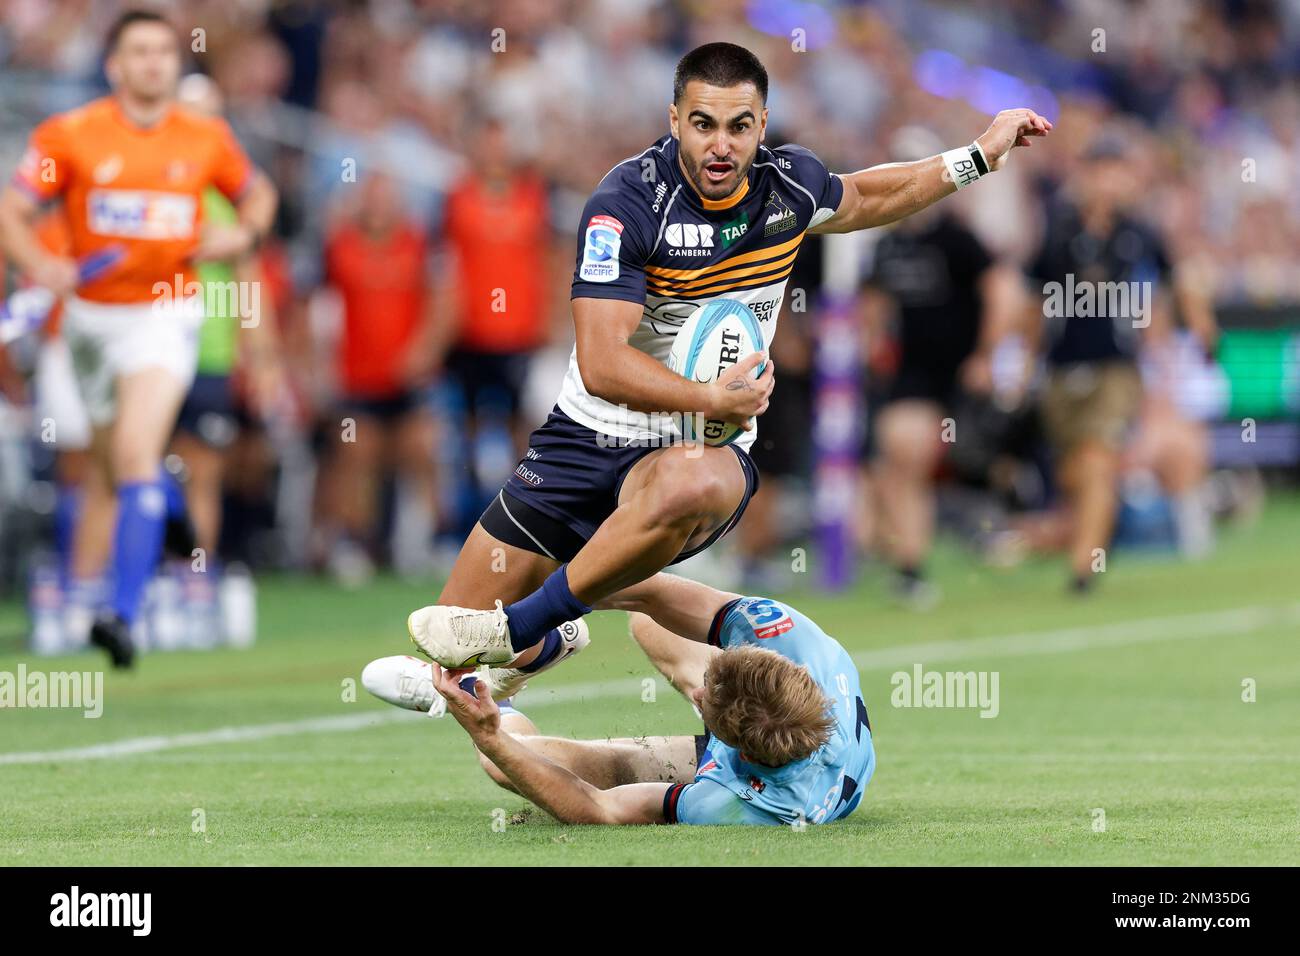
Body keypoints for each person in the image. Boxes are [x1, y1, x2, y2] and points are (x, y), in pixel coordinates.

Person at [406, 42, 1050, 685]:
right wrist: (711, 397)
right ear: (674, 120)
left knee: (687, 483)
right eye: (703, 124)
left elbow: (872, 195)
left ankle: (523, 625)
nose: (722, 145)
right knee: (448, 659)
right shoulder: (625, 203)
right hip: (590, 434)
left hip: (697, 446)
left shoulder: (788, 186)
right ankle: (542, 643)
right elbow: (603, 365)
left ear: (761, 125)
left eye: (740, 126)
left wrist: (980, 156)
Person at [0, 9, 277, 666]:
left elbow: (257, 196)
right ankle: (168, 504)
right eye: (139, 51)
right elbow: (12, 209)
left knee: (129, 453)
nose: (154, 62)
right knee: (104, 464)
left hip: (164, 314)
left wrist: (240, 236)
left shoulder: (206, 137)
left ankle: (120, 617)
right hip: (90, 325)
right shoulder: (70, 135)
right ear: (114, 66)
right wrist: (40, 264)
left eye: (163, 51)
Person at [364, 573, 874, 827]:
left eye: (704, 699)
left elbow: (600, 808)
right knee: (649, 615)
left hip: (770, 777)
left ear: (729, 745)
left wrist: (487, 733)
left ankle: (476, 691)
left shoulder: (730, 802)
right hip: (780, 744)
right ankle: (529, 652)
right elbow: (650, 588)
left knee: (502, 764)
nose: (696, 690)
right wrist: (529, 615)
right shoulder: (793, 639)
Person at [1026, 136, 1213, 592]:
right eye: (1101, 171)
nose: (1110, 182)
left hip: (1116, 370)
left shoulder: (1140, 233)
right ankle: (1082, 544)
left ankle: (1083, 570)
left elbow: (1173, 283)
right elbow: (1033, 300)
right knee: (1074, 469)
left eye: (1118, 171)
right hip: (1062, 370)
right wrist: (1020, 362)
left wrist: (1198, 325)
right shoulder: (1059, 230)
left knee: (1098, 459)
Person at [864, 129, 1022, 605]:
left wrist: (986, 356)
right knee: (902, 454)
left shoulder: (956, 237)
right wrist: (871, 345)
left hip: (961, 372)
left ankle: (990, 529)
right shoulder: (887, 243)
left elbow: (1002, 292)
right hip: (912, 376)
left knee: (971, 462)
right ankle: (911, 565)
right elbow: (873, 303)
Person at [318, 171, 442, 580]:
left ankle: (428, 539)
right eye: (371, 197)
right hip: (357, 379)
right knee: (357, 454)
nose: (378, 206)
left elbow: (446, 299)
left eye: (386, 198)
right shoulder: (339, 247)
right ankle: (356, 543)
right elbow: (316, 307)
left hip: (406, 381)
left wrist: (425, 348)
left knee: (422, 448)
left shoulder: (418, 245)